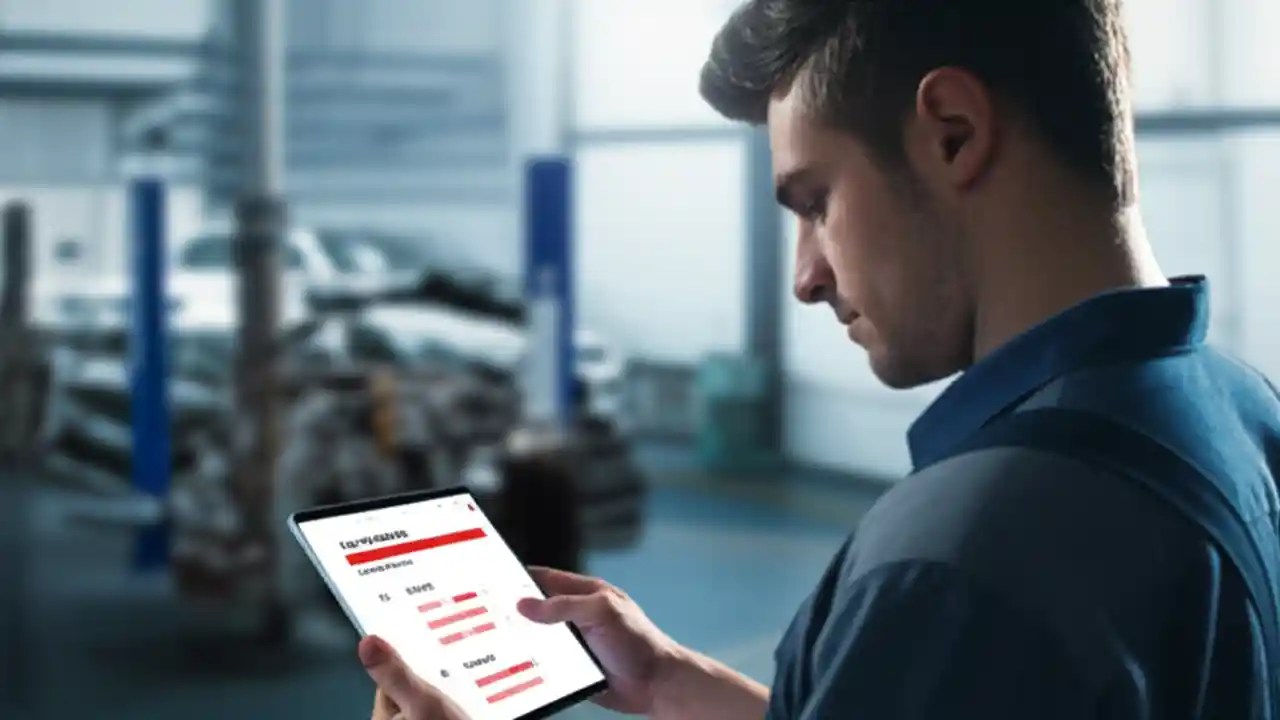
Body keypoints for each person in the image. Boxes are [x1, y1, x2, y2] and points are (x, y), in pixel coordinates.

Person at [359, 0, 1280, 717]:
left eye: (815, 202)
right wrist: (673, 682)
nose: (806, 276)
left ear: (953, 132)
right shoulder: (1239, 412)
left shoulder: (961, 565)